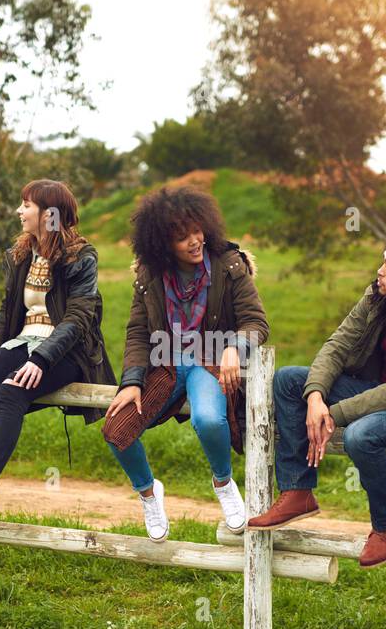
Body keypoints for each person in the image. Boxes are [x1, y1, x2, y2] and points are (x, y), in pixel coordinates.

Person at [248, 229, 386, 567]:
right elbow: (338, 344)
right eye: (384, 261)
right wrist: (316, 398)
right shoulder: (379, 294)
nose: (380, 271)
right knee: (290, 380)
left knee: (360, 436)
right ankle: (297, 491)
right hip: (374, 388)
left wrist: (334, 413)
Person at [0, 179, 115, 525]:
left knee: (11, 390)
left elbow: (78, 319)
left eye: (26, 205)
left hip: (67, 351)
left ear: (49, 214)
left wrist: (41, 358)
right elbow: (9, 308)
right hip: (23, 340)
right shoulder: (20, 255)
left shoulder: (82, 257)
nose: (20, 211)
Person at [102, 185, 268, 542]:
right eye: (182, 237)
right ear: (163, 244)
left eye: (197, 231)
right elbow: (137, 332)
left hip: (209, 360)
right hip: (166, 362)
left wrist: (234, 347)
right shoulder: (149, 276)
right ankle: (148, 492)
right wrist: (131, 381)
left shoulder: (229, 265)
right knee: (117, 428)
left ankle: (223, 483)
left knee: (208, 419)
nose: (194, 241)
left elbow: (257, 323)